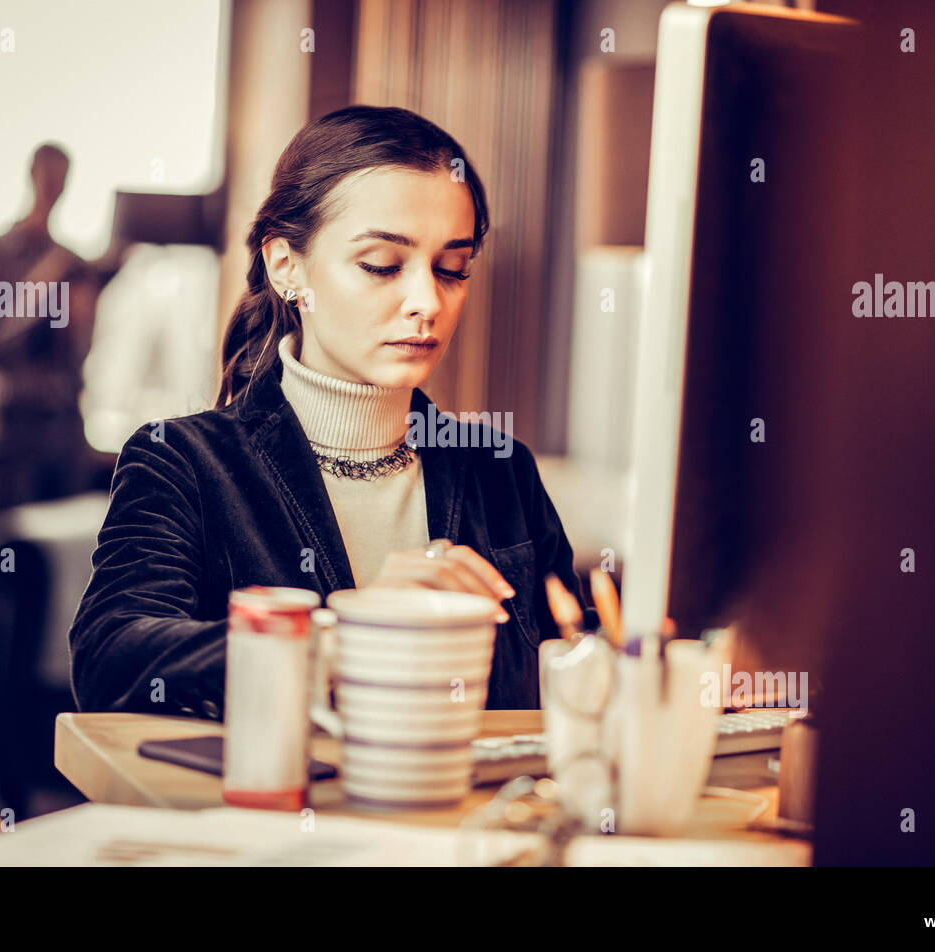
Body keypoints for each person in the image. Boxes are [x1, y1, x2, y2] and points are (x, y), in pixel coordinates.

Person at [69, 106, 584, 718]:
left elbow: (577, 663)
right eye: (382, 266)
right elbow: (111, 662)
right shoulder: (184, 461)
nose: (427, 302)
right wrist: (345, 635)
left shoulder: (498, 468)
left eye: (453, 269)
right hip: (271, 814)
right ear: (287, 268)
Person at [0, 142, 130, 513]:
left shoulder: (75, 266)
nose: (53, 188)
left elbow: (78, 356)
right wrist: (47, 279)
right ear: (32, 176)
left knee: (65, 549)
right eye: (48, 177)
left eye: (61, 180)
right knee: (4, 550)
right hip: (11, 434)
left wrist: (85, 311)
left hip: (66, 434)